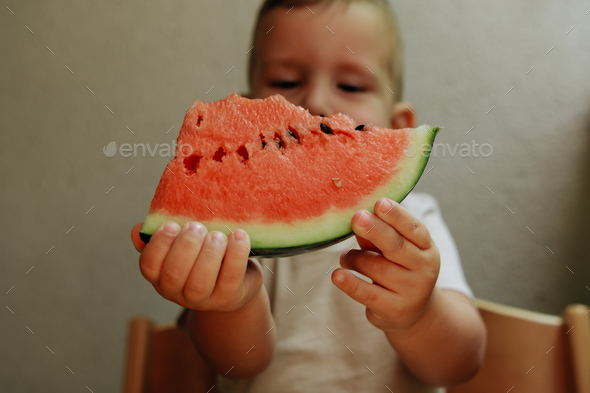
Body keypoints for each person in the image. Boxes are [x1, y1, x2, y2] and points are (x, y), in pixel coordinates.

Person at [131, 0, 486, 391]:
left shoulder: (418, 225)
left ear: (399, 124)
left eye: (350, 85)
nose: (314, 102)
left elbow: (459, 366)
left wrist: (421, 314)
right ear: (249, 115)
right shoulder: (233, 236)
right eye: (285, 83)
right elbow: (238, 365)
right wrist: (232, 303)